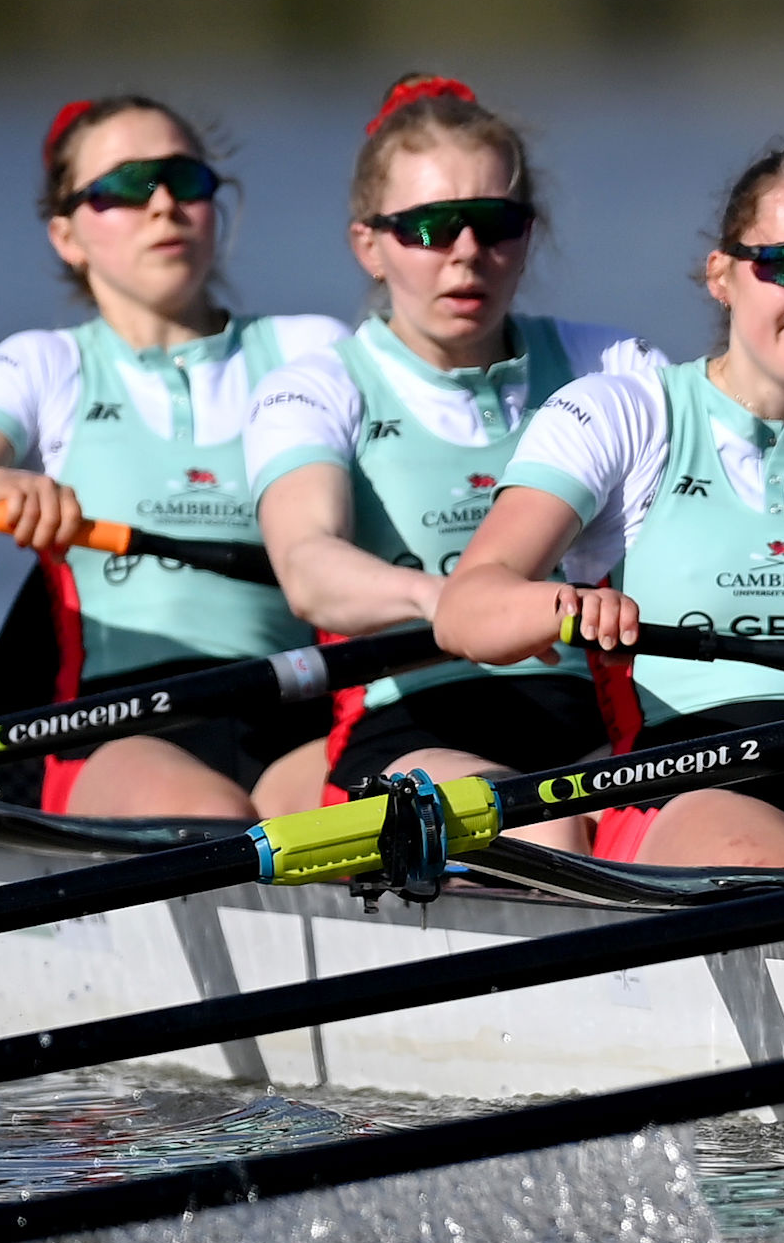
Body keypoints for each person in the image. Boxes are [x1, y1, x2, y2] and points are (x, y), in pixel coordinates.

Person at [433, 142, 784, 871]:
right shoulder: (627, 413)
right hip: (682, 777)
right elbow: (465, 608)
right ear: (720, 274)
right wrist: (558, 607)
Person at [0, 96, 343, 820]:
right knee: (215, 822)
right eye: (124, 188)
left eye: (183, 180)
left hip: (296, 709)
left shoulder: (308, 350)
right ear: (66, 235)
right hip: (115, 730)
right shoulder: (41, 366)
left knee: (403, 803)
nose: (162, 204)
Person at [245, 76, 653, 850]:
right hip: (406, 724)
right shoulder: (317, 388)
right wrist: (461, 605)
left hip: (597, 716)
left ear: (528, 236)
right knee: (545, 829)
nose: (468, 252)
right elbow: (307, 566)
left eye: (495, 223)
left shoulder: (611, 364)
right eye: (431, 227)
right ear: (368, 244)